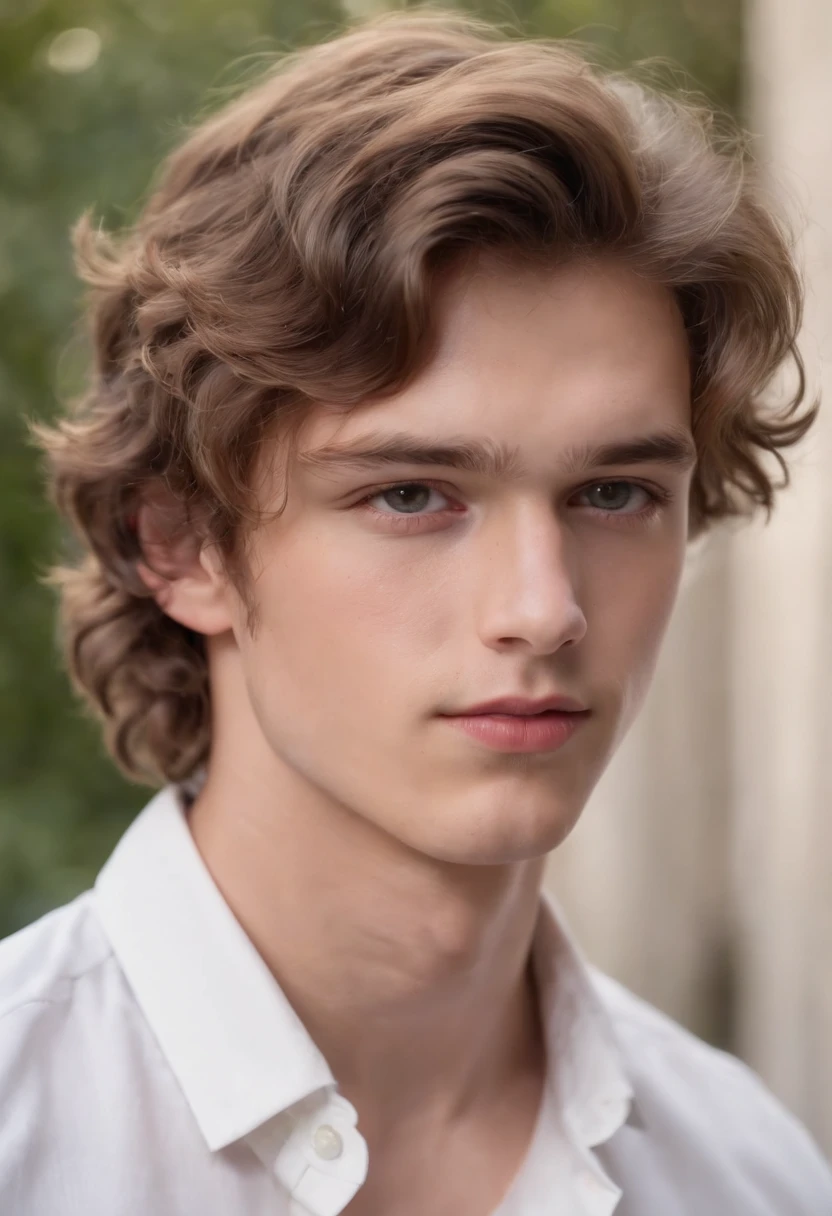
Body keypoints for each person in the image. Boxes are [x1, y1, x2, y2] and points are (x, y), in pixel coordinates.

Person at [1, 8, 830, 1214]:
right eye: (410, 494)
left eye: (613, 492)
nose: (542, 610)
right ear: (178, 544)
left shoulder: (745, 1171)